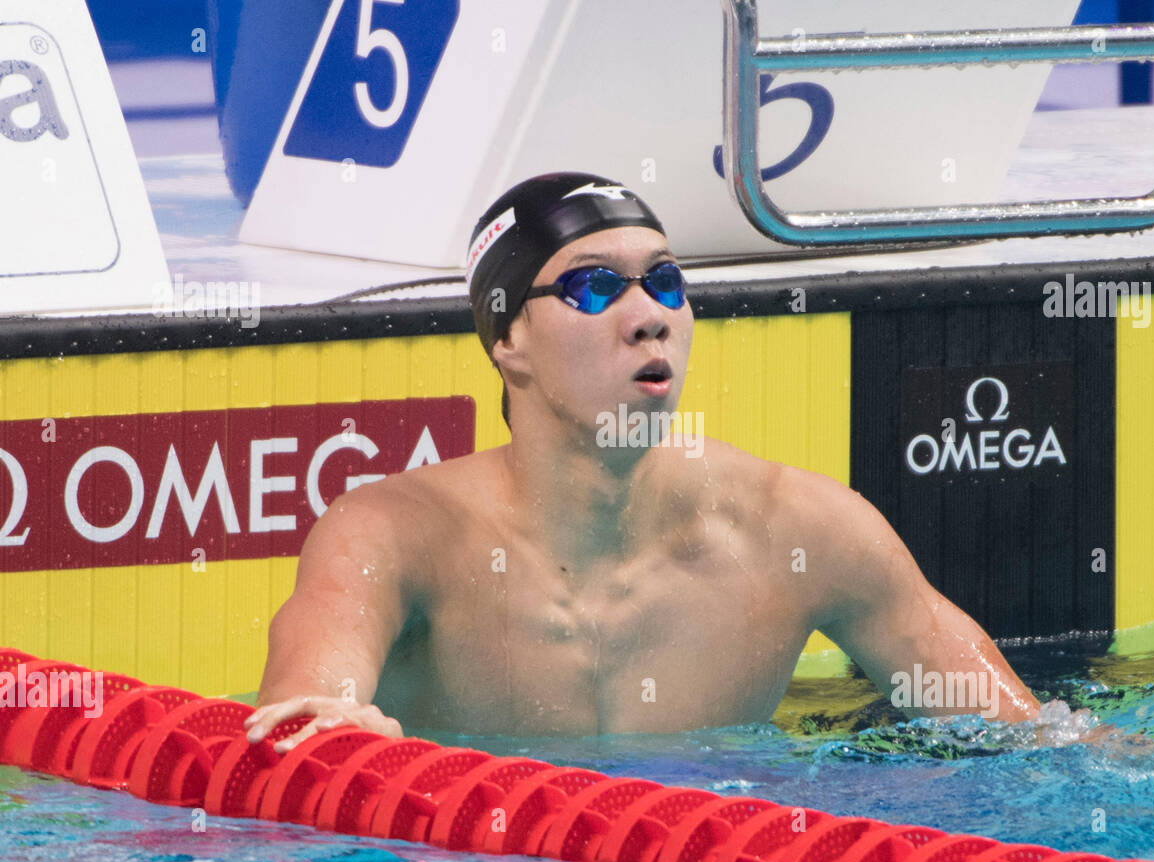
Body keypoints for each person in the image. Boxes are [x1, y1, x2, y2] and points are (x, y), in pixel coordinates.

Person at [244, 172, 1042, 752]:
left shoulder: (800, 530)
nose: (648, 317)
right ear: (507, 341)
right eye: (593, 289)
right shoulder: (391, 536)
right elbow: (305, 709)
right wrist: (333, 729)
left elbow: (1034, 743)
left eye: (664, 282)